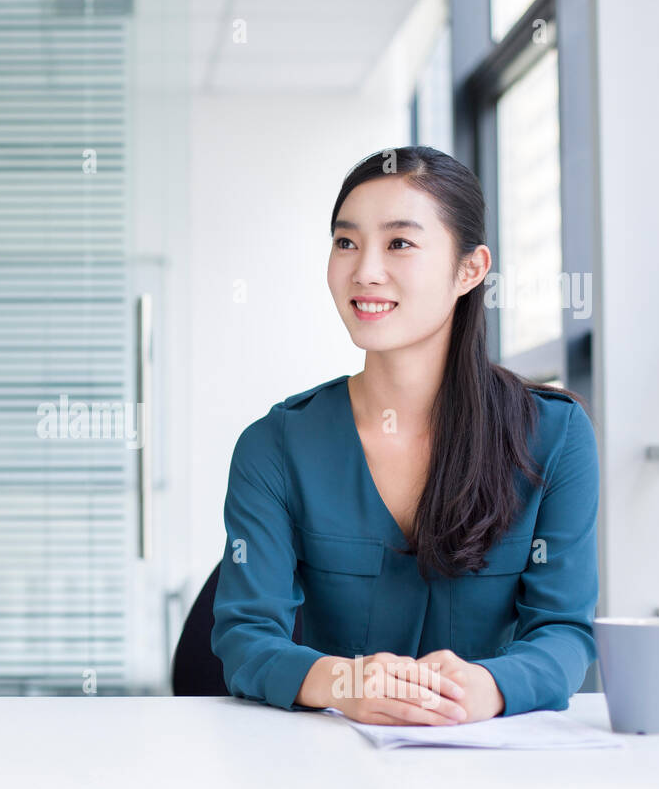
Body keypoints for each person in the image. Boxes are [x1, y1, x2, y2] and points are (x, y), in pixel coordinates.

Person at [211, 145, 599, 725]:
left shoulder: (556, 435)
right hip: (324, 770)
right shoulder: (275, 445)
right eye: (346, 242)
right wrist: (342, 681)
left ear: (469, 269)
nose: (364, 270)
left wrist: (487, 686)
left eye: (399, 243)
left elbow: (564, 632)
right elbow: (245, 634)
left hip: (495, 773)